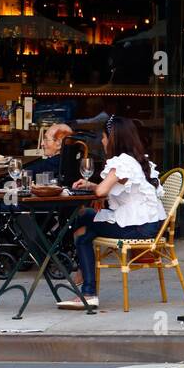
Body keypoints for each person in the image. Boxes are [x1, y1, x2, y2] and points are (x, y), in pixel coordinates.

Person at [63, 116, 166, 310]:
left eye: (103, 137)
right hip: (150, 225)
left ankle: (86, 286)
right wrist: (91, 184)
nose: (101, 141)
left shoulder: (122, 162)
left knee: (83, 219)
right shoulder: (136, 160)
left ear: (112, 138)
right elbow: (115, 187)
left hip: (137, 227)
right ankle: (84, 278)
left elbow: (102, 192)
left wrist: (94, 187)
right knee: (84, 229)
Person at [0, 123, 75, 262]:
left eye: (46, 139)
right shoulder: (66, 163)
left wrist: (7, 180)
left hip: (25, 206)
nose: (42, 144)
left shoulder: (50, 164)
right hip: (36, 207)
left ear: (58, 144)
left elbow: (13, 178)